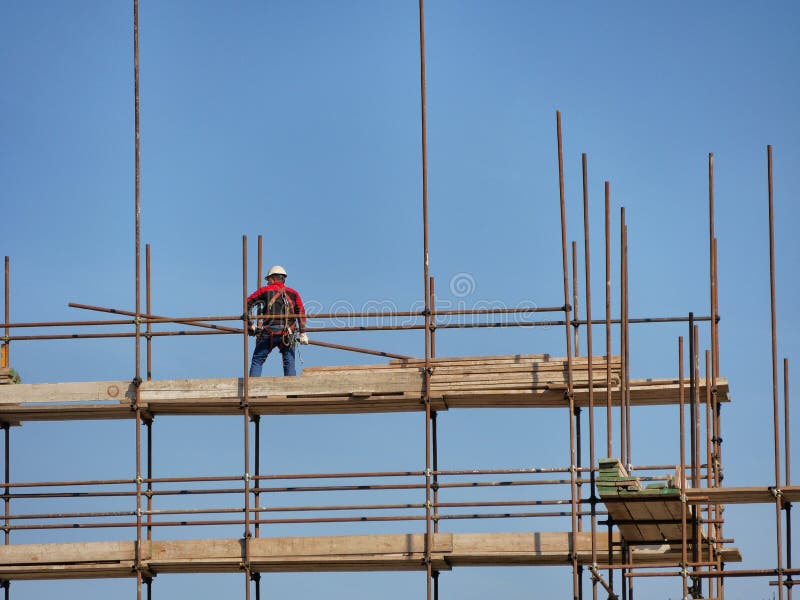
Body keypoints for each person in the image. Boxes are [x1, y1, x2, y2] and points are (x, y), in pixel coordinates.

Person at [247, 265, 308, 376]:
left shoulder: (264, 291)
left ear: (273, 278)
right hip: (287, 333)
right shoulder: (294, 293)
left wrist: (250, 324)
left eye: (268, 280)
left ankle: (252, 390)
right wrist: (303, 333)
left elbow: (248, 303)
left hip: (269, 332)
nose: (267, 283)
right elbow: (301, 312)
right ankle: (292, 391)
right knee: (289, 362)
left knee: (257, 360)